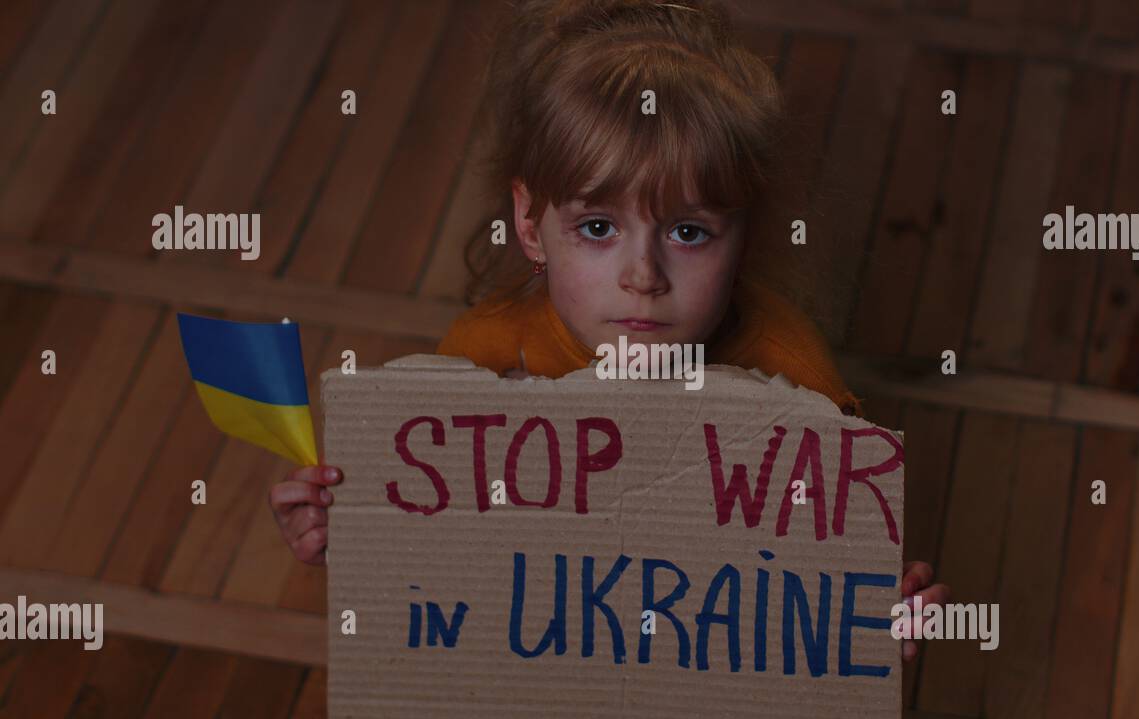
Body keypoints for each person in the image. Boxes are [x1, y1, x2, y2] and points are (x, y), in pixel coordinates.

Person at [270, 0, 948, 661]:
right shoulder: (484, 356)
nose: (643, 275)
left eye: (688, 232)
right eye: (598, 228)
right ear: (532, 224)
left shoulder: (798, 381)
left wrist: (881, 603)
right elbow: (445, 566)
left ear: (745, 233)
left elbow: (825, 569)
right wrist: (355, 534)